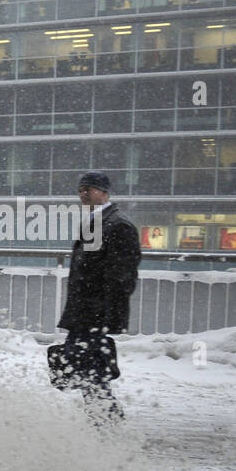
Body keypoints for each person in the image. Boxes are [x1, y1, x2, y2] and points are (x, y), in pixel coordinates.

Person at [55, 171, 141, 425]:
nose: (83, 193)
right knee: (84, 367)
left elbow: (123, 275)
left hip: (94, 313)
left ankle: (107, 422)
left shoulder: (118, 225)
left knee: (90, 369)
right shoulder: (97, 221)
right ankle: (104, 419)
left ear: (104, 193)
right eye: (81, 189)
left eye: (89, 189)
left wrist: (104, 312)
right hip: (85, 312)